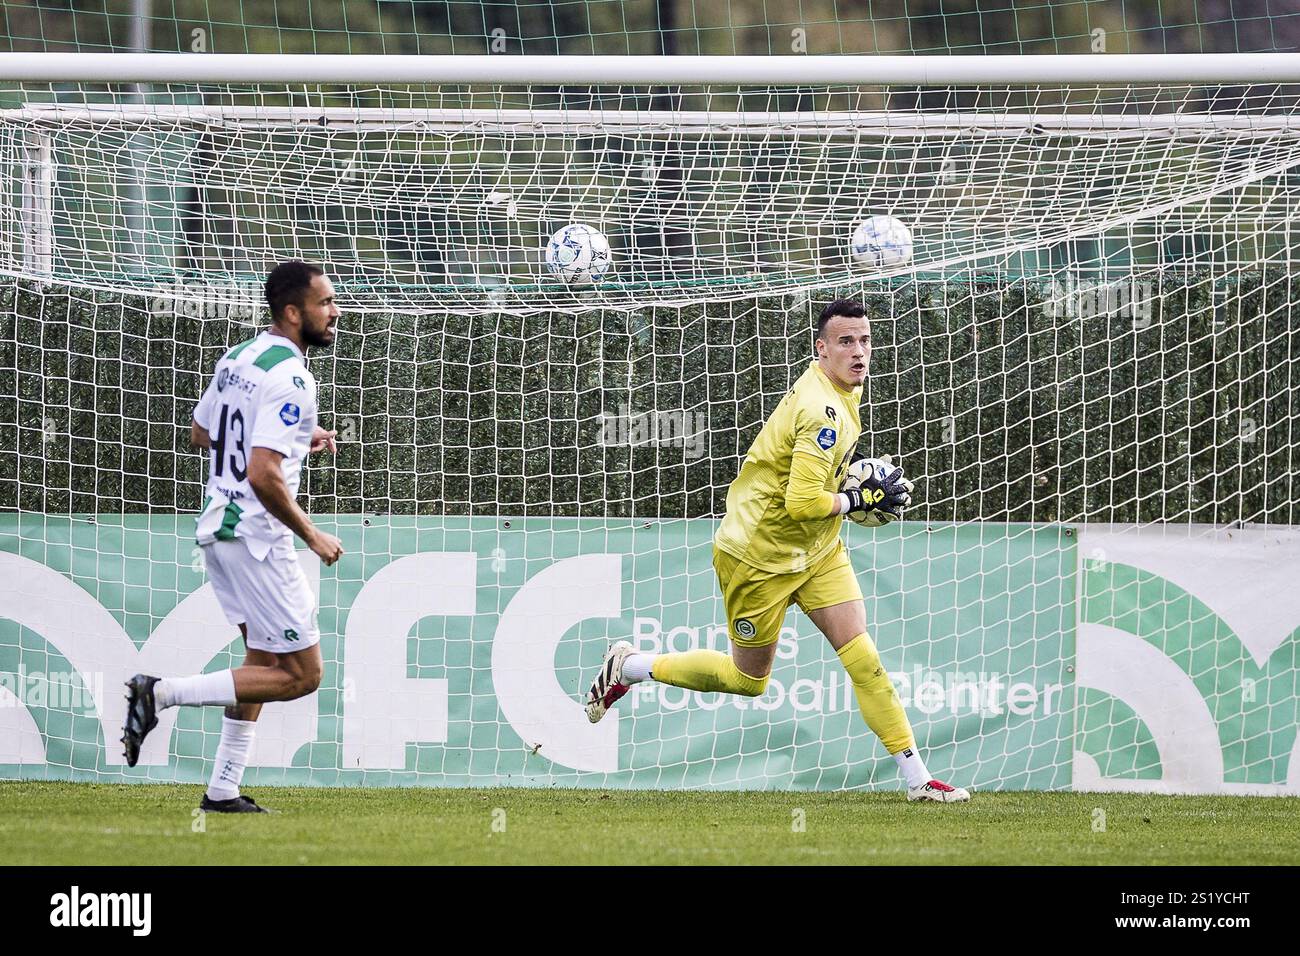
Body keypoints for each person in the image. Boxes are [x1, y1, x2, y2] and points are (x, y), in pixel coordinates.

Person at [584, 298, 970, 802]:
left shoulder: (837, 390)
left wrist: (852, 494)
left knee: (865, 661)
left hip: (817, 552)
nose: (859, 352)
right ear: (821, 348)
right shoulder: (823, 414)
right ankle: (630, 666)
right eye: (846, 341)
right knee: (748, 681)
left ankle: (918, 780)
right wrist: (859, 497)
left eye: (865, 340)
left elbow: (813, 504)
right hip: (757, 556)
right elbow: (804, 501)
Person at [121, 260, 345, 813]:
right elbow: (264, 473)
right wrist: (312, 533)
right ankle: (160, 691)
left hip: (219, 529)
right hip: (257, 536)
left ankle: (222, 789)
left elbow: (203, 431)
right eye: (324, 304)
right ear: (293, 313)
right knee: (301, 676)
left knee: (262, 666)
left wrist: (296, 432)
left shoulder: (239, 356)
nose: (335, 312)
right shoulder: (293, 376)